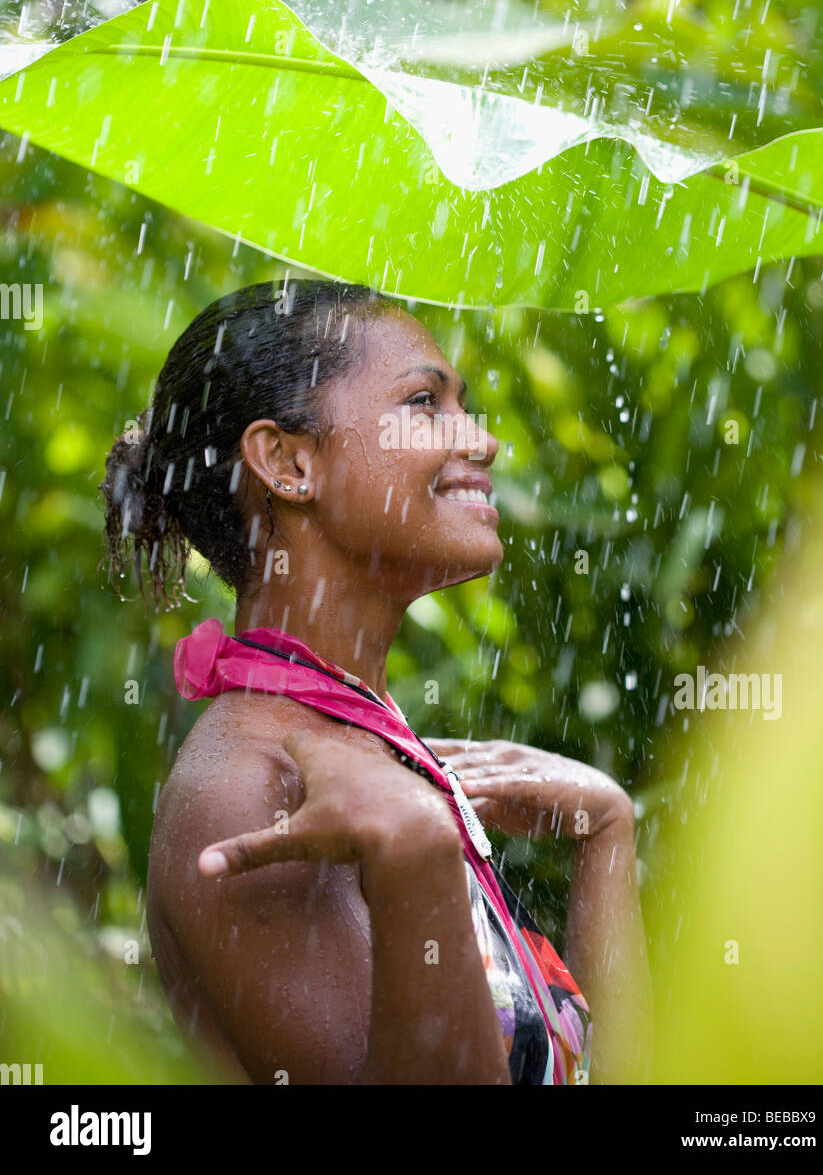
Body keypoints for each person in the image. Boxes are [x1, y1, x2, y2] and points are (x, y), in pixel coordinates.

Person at [100, 278, 652, 1085]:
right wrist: (419, 852)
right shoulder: (252, 791)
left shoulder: (366, 747)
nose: (483, 442)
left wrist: (607, 832)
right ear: (290, 462)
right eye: (426, 402)